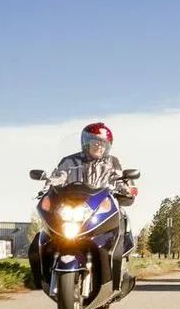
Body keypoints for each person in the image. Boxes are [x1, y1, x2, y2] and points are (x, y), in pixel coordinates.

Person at [50, 122, 137, 291]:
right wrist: (50, 183)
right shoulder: (69, 161)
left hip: (100, 210)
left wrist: (127, 188)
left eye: (102, 143)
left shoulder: (113, 163)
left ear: (108, 146)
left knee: (120, 222)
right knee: (47, 233)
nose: (98, 145)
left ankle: (116, 276)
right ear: (85, 142)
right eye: (94, 141)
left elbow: (122, 179)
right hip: (75, 208)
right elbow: (59, 176)